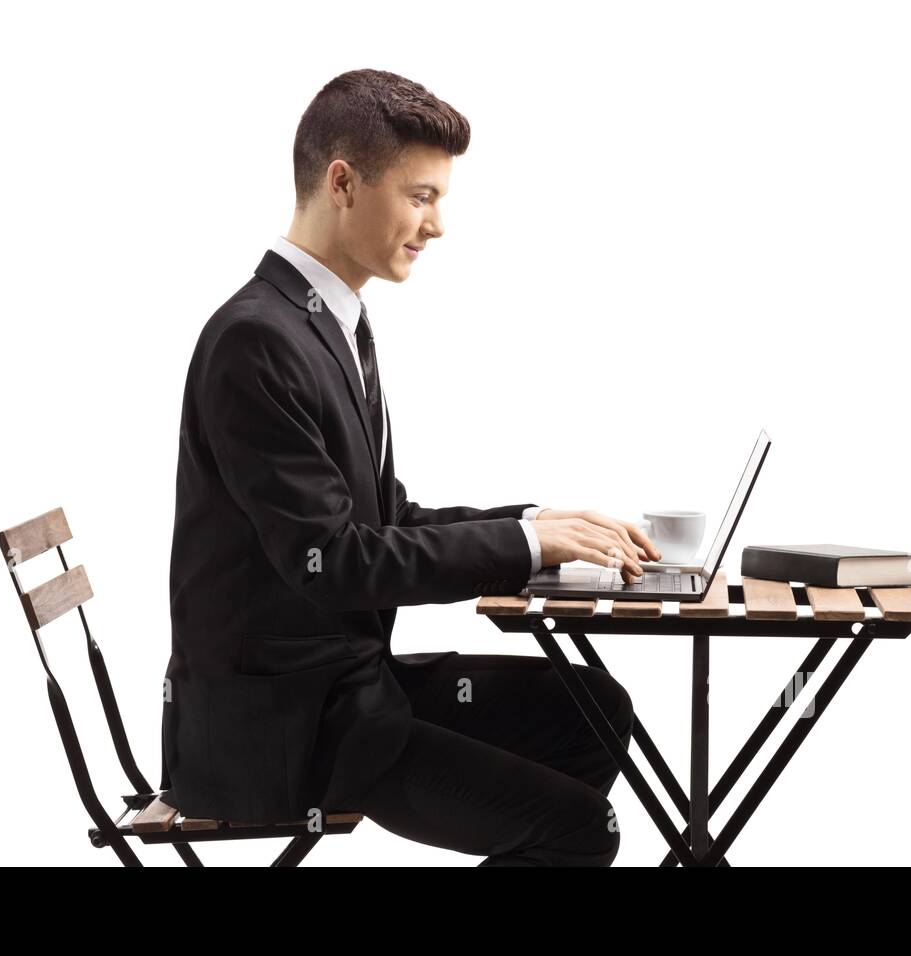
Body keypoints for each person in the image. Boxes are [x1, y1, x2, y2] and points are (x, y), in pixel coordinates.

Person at [162, 68, 662, 865]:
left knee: (593, 708)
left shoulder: (330, 321)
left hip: (344, 690)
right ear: (343, 183)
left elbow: (384, 521)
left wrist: (533, 526)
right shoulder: (257, 340)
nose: (437, 225)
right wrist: (528, 550)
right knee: (577, 828)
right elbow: (335, 562)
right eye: (421, 196)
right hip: (283, 729)